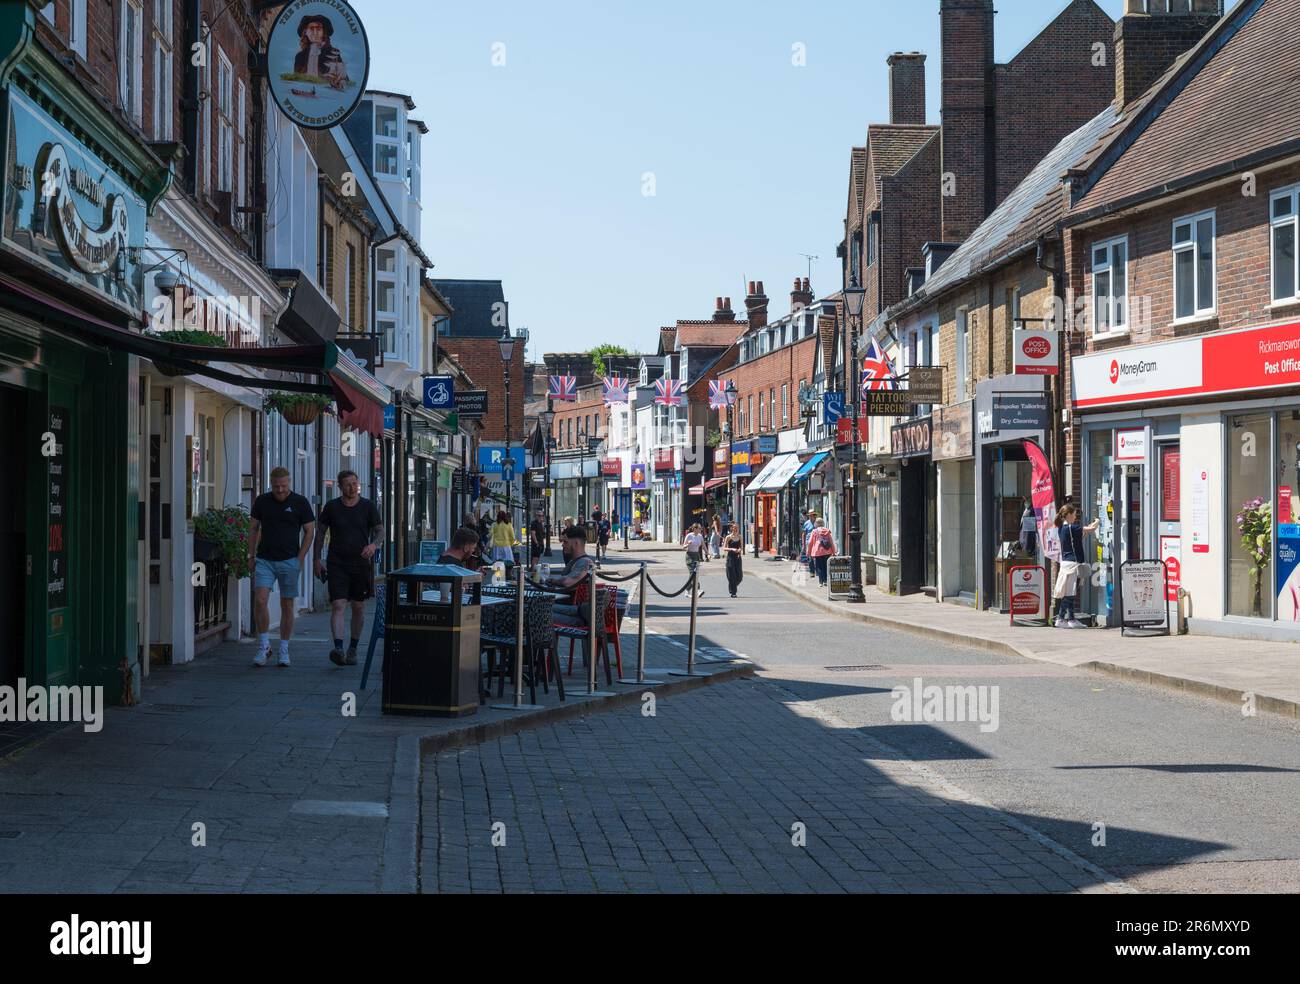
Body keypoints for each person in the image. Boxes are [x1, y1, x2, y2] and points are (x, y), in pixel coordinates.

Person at [248, 466, 315, 667]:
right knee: (260, 600)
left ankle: (284, 649)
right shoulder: (262, 501)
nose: (280, 490)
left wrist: (300, 557)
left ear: (289, 482)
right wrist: (250, 555)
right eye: (276, 486)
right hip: (265, 560)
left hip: (289, 560)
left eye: (283, 486)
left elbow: (310, 531)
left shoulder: (300, 502)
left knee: (287, 605)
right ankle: (264, 646)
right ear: (271, 483)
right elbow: (253, 528)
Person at [314, 470, 382, 667]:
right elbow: (320, 533)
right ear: (340, 487)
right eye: (348, 484)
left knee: (358, 606)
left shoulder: (368, 507)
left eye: (355, 483)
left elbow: (380, 531)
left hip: (360, 564)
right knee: (338, 604)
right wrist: (317, 559)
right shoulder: (332, 507)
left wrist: (373, 545)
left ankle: (353, 647)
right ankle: (338, 648)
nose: (352, 488)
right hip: (337, 563)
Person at [1054, 504, 1098, 628]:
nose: (1075, 517)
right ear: (1068, 515)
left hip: (1066, 564)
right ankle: (1063, 618)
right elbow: (1091, 529)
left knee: (1069, 592)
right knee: (1070, 593)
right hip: (1073, 564)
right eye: (1073, 515)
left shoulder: (1062, 528)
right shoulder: (1072, 527)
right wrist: (1097, 521)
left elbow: (1080, 536)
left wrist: (1087, 528)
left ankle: (1068, 619)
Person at [293, 14, 348, 90]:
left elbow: (344, 78)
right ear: (305, 32)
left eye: (318, 29)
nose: (315, 33)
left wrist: (340, 82)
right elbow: (296, 82)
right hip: (305, 94)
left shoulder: (333, 53)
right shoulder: (299, 57)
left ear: (323, 32)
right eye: (311, 29)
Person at [806, 518, 836, 587]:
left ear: (816, 523)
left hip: (818, 551)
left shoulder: (814, 531)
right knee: (826, 566)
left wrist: (808, 552)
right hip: (827, 551)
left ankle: (821, 582)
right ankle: (825, 581)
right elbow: (831, 542)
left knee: (819, 567)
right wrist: (834, 551)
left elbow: (810, 542)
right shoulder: (827, 531)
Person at [683, 523, 706, 597]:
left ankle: (687, 590)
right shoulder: (689, 535)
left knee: (694, 574)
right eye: (699, 528)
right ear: (695, 529)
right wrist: (688, 544)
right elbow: (683, 546)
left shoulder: (700, 536)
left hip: (696, 556)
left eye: (700, 528)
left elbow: (703, 546)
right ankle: (698, 590)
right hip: (689, 556)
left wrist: (707, 554)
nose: (700, 530)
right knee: (692, 573)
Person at [724, 523, 744, 598]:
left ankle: (732, 586)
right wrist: (731, 549)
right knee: (732, 575)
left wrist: (739, 549)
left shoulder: (740, 537)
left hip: (738, 557)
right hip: (730, 557)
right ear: (731, 528)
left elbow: (742, 547)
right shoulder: (728, 537)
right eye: (734, 528)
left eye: (737, 528)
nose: (736, 529)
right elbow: (724, 548)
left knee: (739, 576)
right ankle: (733, 592)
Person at [802, 509, 817, 574]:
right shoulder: (806, 523)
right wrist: (803, 544)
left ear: (814, 516)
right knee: (810, 557)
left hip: (816, 542)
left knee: (816, 557)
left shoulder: (817, 522)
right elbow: (804, 534)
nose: (811, 517)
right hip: (808, 542)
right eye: (810, 516)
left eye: (812, 516)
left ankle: (817, 571)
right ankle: (812, 571)